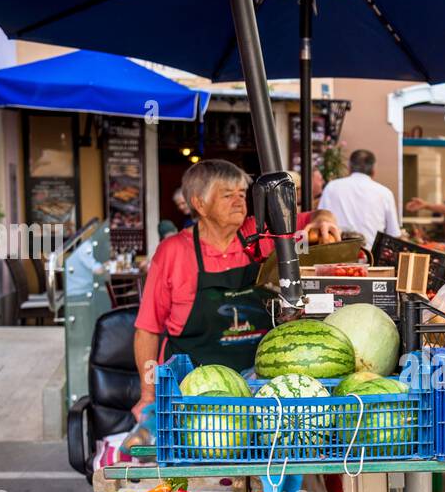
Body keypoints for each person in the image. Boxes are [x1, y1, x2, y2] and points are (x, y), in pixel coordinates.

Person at [132, 160, 339, 419]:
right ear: (199, 203)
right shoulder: (172, 251)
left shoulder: (259, 232)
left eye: (242, 194)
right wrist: (148, 395)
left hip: (259, 383)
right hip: (194, 389)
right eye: (228, 195)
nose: (239, 201)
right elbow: (148, 329)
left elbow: (314, 219)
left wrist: (324, 219)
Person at [316, 149, 400, 248]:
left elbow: (319, 220)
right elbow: (393, 234)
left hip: (337, 255)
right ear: (373, 169)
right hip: (371, 258)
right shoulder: (385, 193)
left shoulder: (332, 187)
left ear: (349, 167)